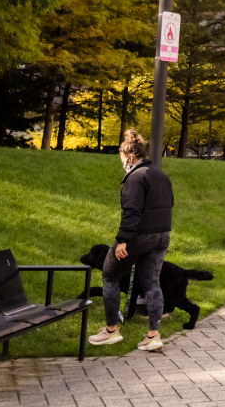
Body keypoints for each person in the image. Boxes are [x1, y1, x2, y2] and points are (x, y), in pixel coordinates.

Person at [88, 129, 174, 351]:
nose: (121, 163)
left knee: (109, 276)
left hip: (138, 236)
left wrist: (123, 240)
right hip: (162, 235)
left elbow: (132, 211)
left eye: (121, 158)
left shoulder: (135, 177)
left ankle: (111, 331)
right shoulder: (161, 176)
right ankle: (153, 336)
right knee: (152, 283)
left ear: (130, 157)